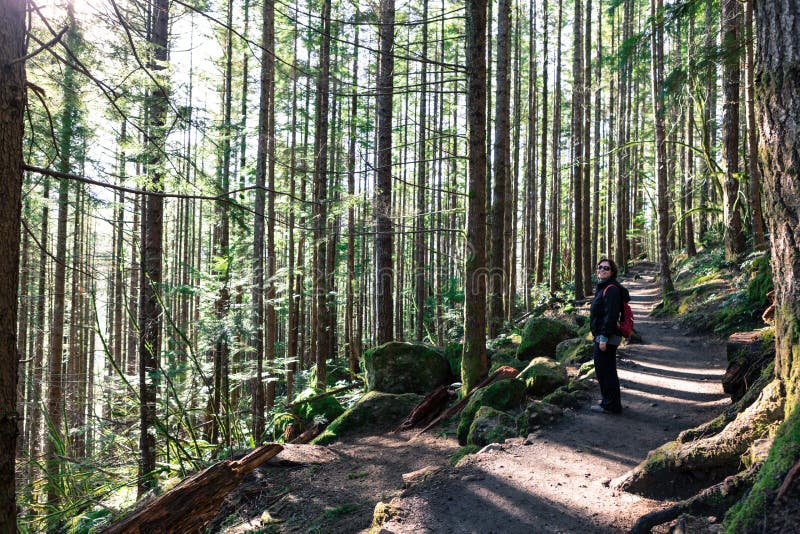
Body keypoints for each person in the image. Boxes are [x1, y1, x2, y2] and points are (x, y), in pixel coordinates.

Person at [589, 257, 629, 414]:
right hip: (603, 335)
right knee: (605, 369)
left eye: (606, 268)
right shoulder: (603, 287)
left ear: (612, 272)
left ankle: (611, 405)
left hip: (607, 336)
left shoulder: (611, 289)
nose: (602, 270)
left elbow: (611, 316)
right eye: (600, 267)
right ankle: (609, 401)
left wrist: (603, 338)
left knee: (605, 371)